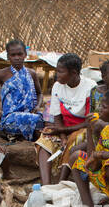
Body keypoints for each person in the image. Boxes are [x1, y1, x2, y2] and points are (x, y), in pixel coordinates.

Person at [37, 52, 96, 185]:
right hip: (63, 127)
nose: (56, 75)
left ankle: (60, 183)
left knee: (75, 139)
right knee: (44, 138)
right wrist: (62, 135)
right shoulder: (57, 87)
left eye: (60, 72)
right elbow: (57, 117)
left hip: (83, 128)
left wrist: (63, 130)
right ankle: (45, 184)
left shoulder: (90, 87)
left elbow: (89, 122)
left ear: (74, 73)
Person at [0, 39, 43, 141]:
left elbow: (40, 93)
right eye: (13, 55)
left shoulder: (31, 73)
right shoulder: (2, 74)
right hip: (11, 118)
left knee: (44, 117)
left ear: (25, 55)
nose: (17, 58)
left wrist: (37, 106)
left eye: (20, 54)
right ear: (8, 57)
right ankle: (19, 135)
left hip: (30, 114)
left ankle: (21, 136)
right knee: (38, 121)